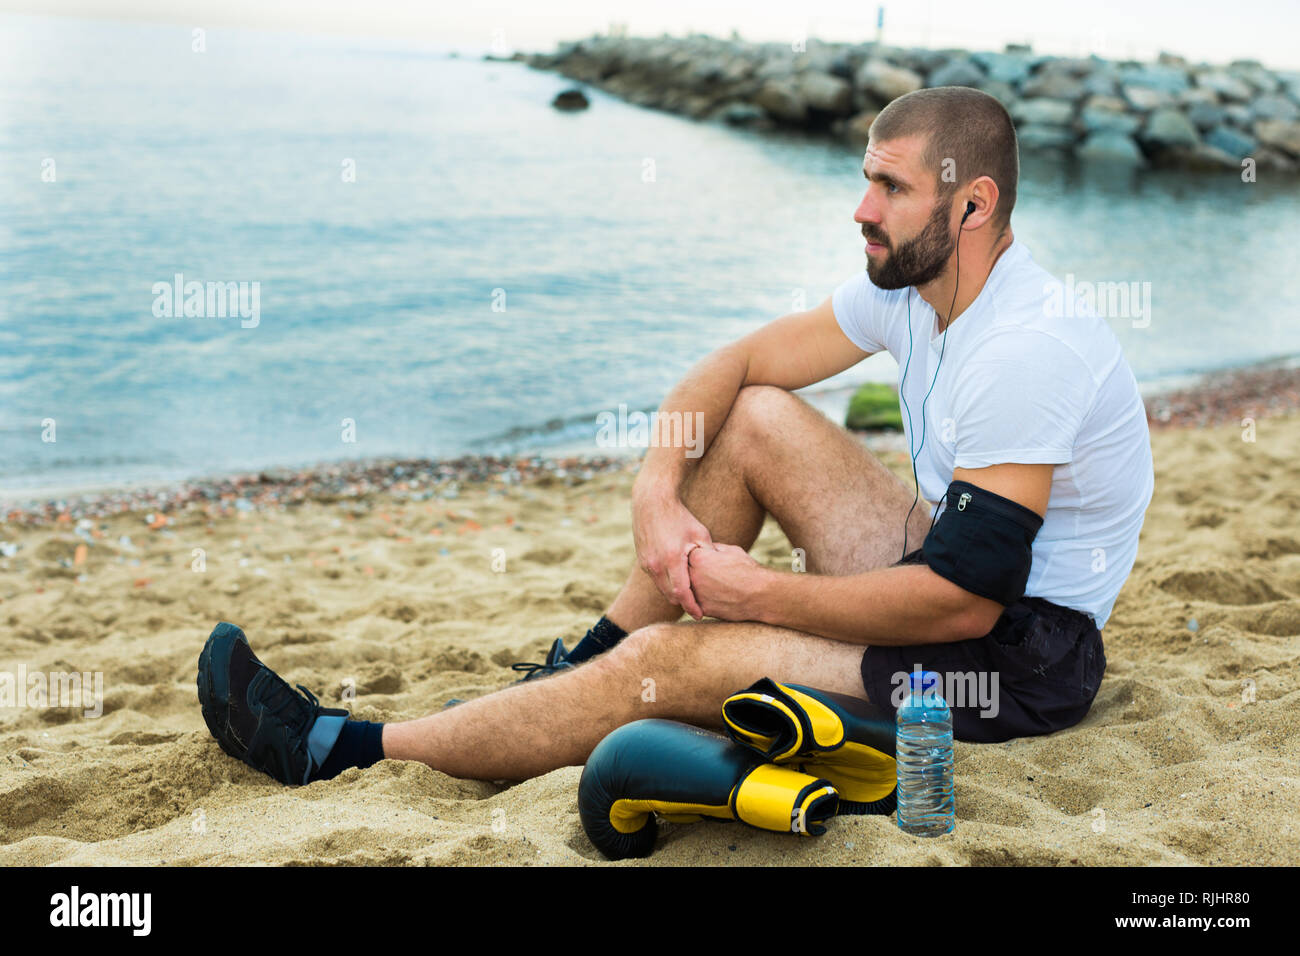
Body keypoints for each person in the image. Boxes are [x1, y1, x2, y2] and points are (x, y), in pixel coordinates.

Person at [197, 86, 1154, 787]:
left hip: (1018, 656)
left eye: (891, 189)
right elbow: (735, 364)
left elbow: (963, 609)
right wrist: (655, 494)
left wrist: (761, 594)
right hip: (953, 565)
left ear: (973, 205)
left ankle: (335, 748)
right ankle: (595, 662)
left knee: (671, 670)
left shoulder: (1026, 350)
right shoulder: (910, 291)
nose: (861, 210)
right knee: (757, 419)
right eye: (865, 179)